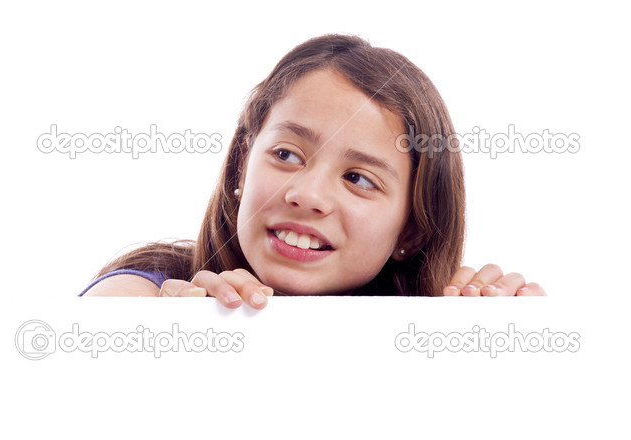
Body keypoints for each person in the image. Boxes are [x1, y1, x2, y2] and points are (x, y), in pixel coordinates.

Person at [82, 34, 545, 306]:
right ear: (243, 162)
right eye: (286, 155)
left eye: (358, 179)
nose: (308, 194)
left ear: (412, 234)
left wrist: (499, 342)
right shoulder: (141, 295)